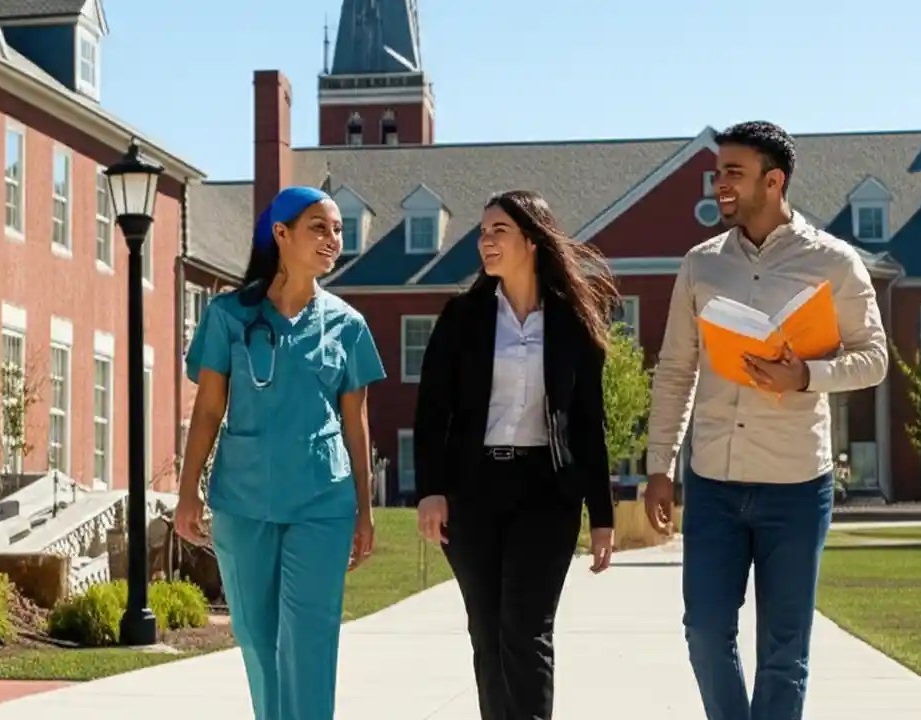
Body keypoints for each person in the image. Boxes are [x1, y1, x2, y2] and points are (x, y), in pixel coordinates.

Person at [643, 121, 888, 720]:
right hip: (714, 483)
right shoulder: (700, 266)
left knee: (783, 652)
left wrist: (805, 375)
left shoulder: (834, 262)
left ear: (773, 181)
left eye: (734, 172)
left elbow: (875, 358)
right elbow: (675, 370)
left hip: (796, 486)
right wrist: (660, 466)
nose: (719, 184)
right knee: (705, 633)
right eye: (718, 172)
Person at [174, 186, 386, 720]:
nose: (332, 239)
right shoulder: (228, 316)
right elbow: (208, 410)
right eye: (319, 227)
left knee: (310, 637)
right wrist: (187, 492)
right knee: (256, 636)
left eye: (338, 230)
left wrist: (364, 509)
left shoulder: (347, 325)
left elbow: (355, 424)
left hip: (322, 501)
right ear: (281, 233)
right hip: (242, 500)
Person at [414, 189, 619, 720]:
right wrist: (431, 490)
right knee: (487, 634)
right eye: (482, 232)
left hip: (546, 493)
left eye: (498, 231)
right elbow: (432, 410)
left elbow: (589, 422)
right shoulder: (463, 316)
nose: (485, 240)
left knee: (526, 632)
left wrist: (602, 515)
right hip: (473, 492)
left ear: (531, 240)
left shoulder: (573, 320)